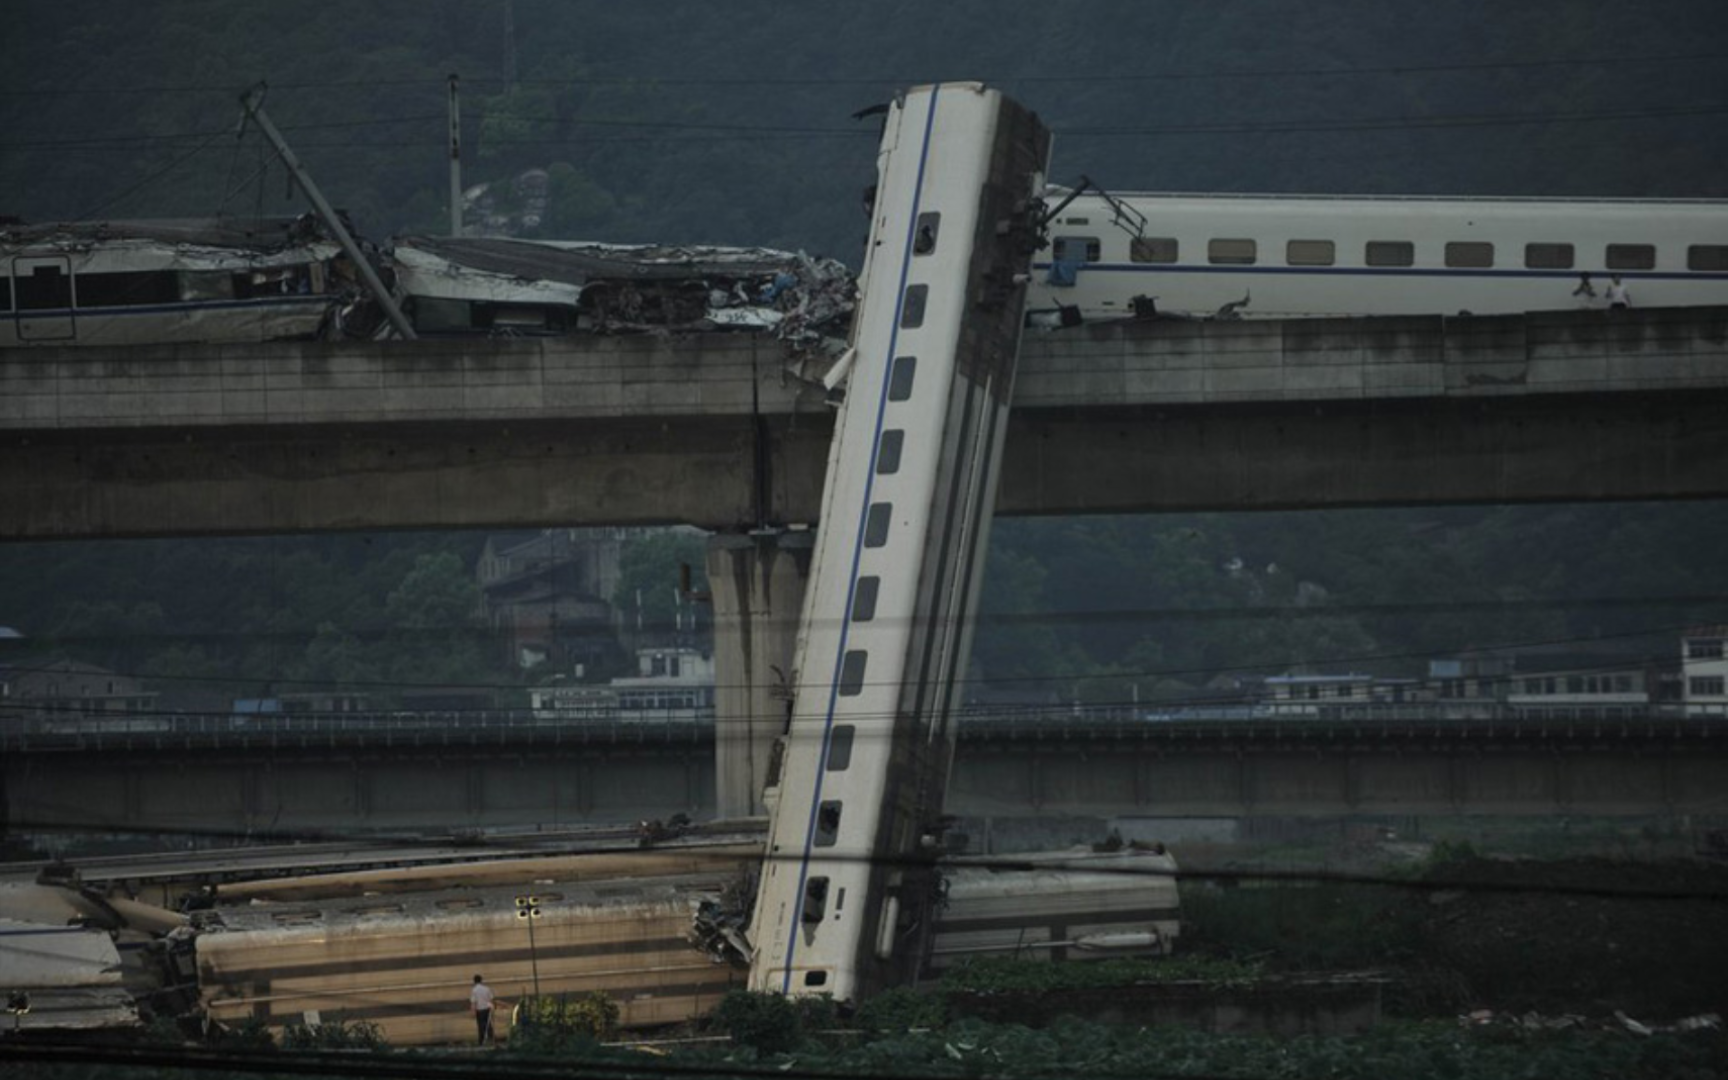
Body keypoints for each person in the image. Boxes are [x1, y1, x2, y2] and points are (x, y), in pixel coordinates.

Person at [469, 974, 495, 1045]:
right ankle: (491, 1039)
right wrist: (492, 1009)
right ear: (481, 980)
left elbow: (473, 1002)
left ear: (474, 981)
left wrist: (473, 1012)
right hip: (487, 1009)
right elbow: (491, 999)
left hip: (479, 1010)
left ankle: (481, 1041)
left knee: (481, 1026)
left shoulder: (474, 990)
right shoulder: (487, 988)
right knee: (488, 1025)